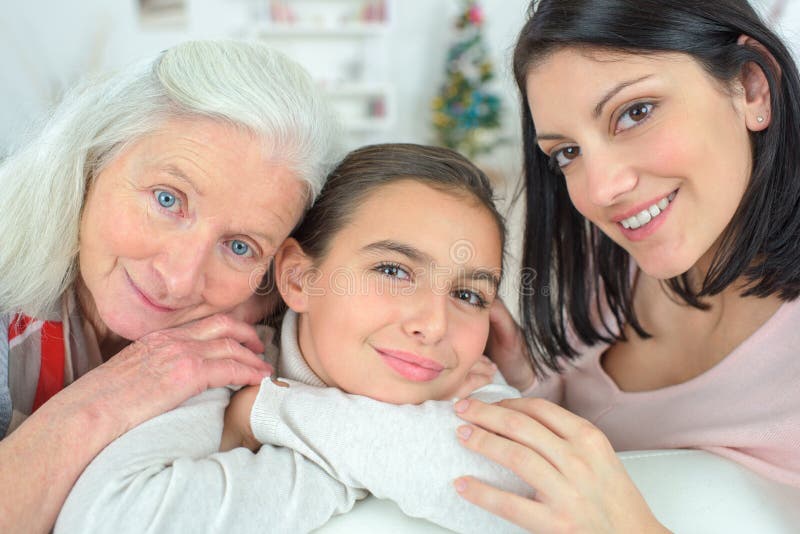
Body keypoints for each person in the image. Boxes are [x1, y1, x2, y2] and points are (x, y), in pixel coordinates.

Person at [448, 0, 800, 531]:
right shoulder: (607, 266)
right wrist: (524, 382)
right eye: (567, 152)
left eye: (635, 112)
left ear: (751, 87)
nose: (600, 190)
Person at [56, 143, 533, 534]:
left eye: (469, 295)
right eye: (393, 270)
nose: (434, 325)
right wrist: (373, 467)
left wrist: (273, 416)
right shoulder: (219, 365)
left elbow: (528, 489)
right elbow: (108, 519)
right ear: (300, 279)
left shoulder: (470, 381)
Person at [0, 39, 339, 533]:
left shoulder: (261, 331)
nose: (179, 279)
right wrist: (108, 399)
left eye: (240, 247)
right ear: (92, 160)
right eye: (166, 199)